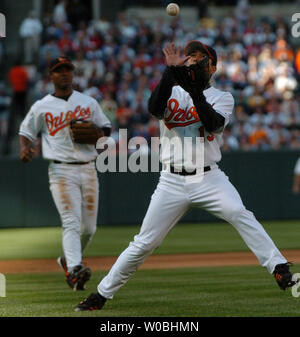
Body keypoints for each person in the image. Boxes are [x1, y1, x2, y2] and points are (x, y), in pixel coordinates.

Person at [75, 41, 298, 311]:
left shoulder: (222, 96)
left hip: (209, 178)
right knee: (144, 242)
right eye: (190, 57)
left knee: (240, 213)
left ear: (212, 66)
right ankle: (100, 295)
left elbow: (213, 123)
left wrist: (194, 90)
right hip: (171, 180)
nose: (193, 61)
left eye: (200, 58)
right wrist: (170, 72)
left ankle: (278, 267)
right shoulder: (172, 90)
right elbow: (155, 108)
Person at [19, 56, 112, 291]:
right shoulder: (42, 106)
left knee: (89, 229)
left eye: (67, 70)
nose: (64, 74)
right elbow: (26, 131)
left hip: (88, 167)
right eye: (58, 70)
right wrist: (24, 148)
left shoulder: (88, 102)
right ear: (51, 75)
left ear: (73, 73)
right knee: (71, 221)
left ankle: (67, 260)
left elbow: (106, 129)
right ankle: (74, 270)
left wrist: (97, 133)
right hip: (60, 170)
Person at [2, 59, 29, 155]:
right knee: (22, 104)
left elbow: (10, 79)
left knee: (16, 104)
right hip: (23, 89)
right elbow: (26, 78)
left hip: (16, 89)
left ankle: (18, 112)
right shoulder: (22, 70)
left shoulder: (12, 70)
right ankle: (22, 114)